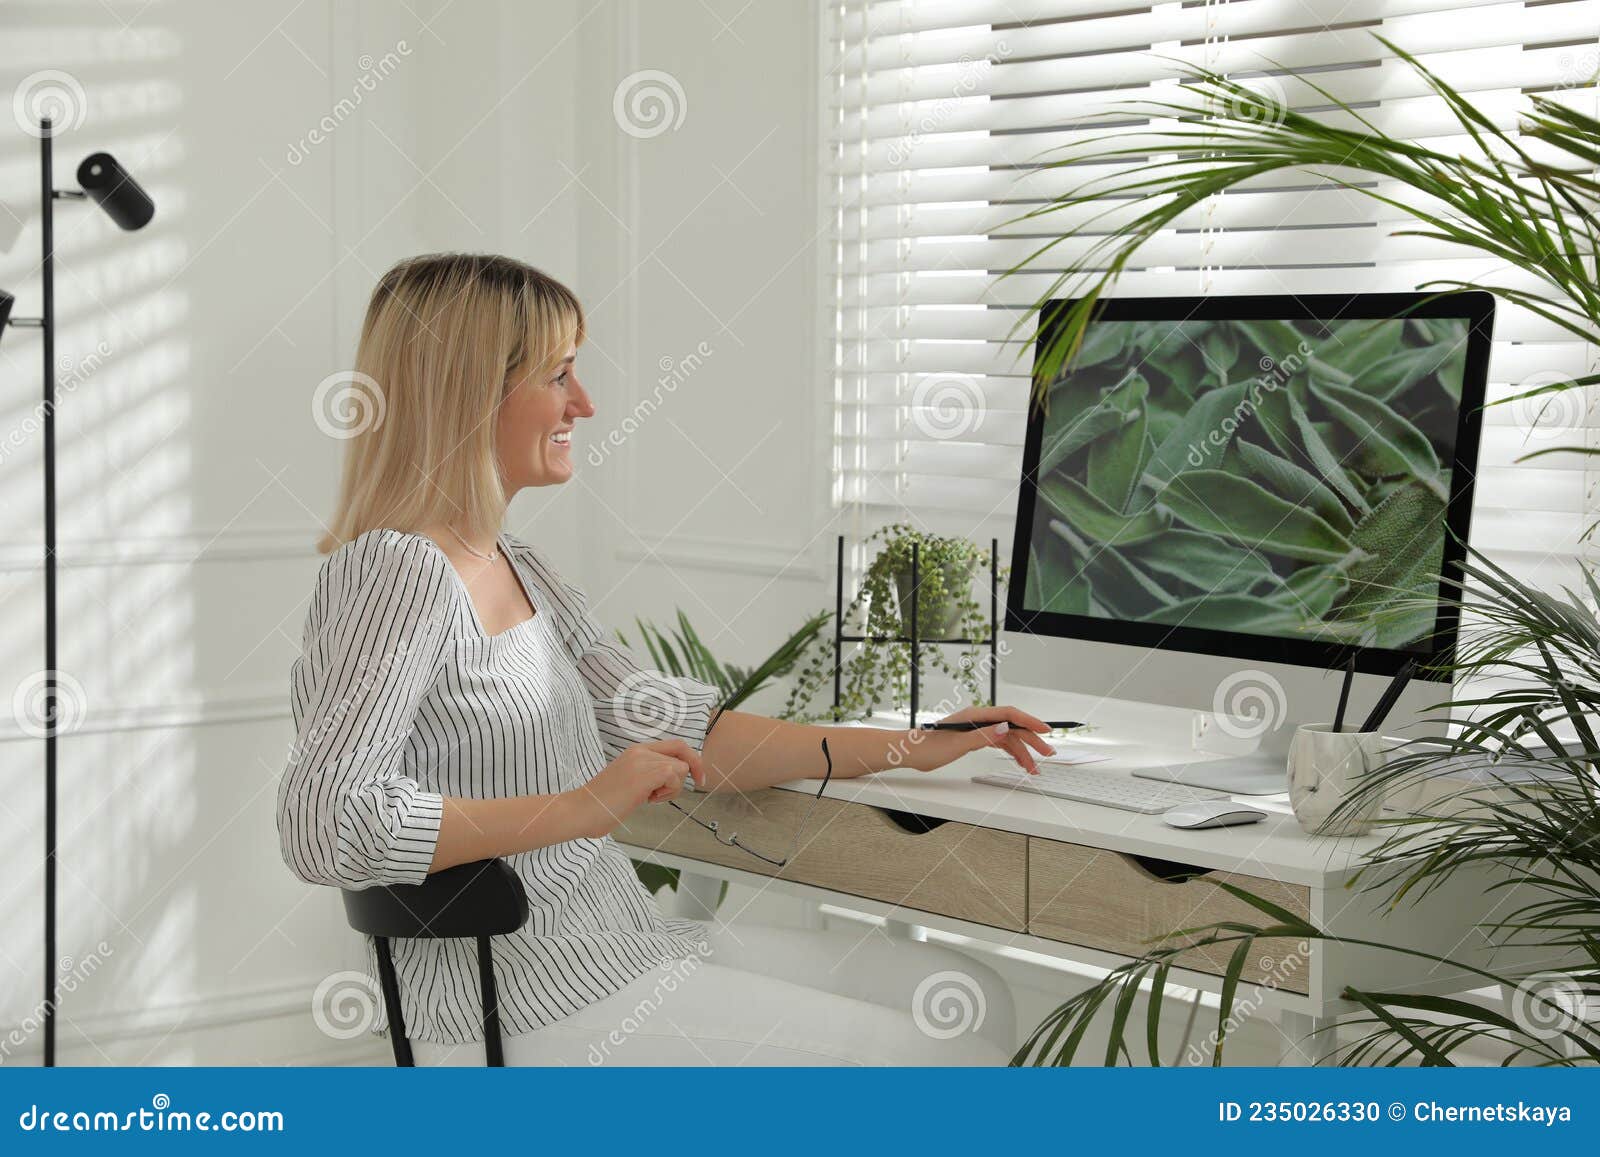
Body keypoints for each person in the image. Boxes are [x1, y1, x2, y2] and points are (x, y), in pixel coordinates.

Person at [276, 253, 1052, 1066]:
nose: (585, 401)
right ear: (474, 394)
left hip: (624, 950)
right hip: (517, 1005)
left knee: (967, 996)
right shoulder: (398, 570)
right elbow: (326, 820)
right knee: (918, 1051)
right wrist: (581, 807)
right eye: (559, 376)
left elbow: (691, 735)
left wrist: (912, 744)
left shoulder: (518, 564)